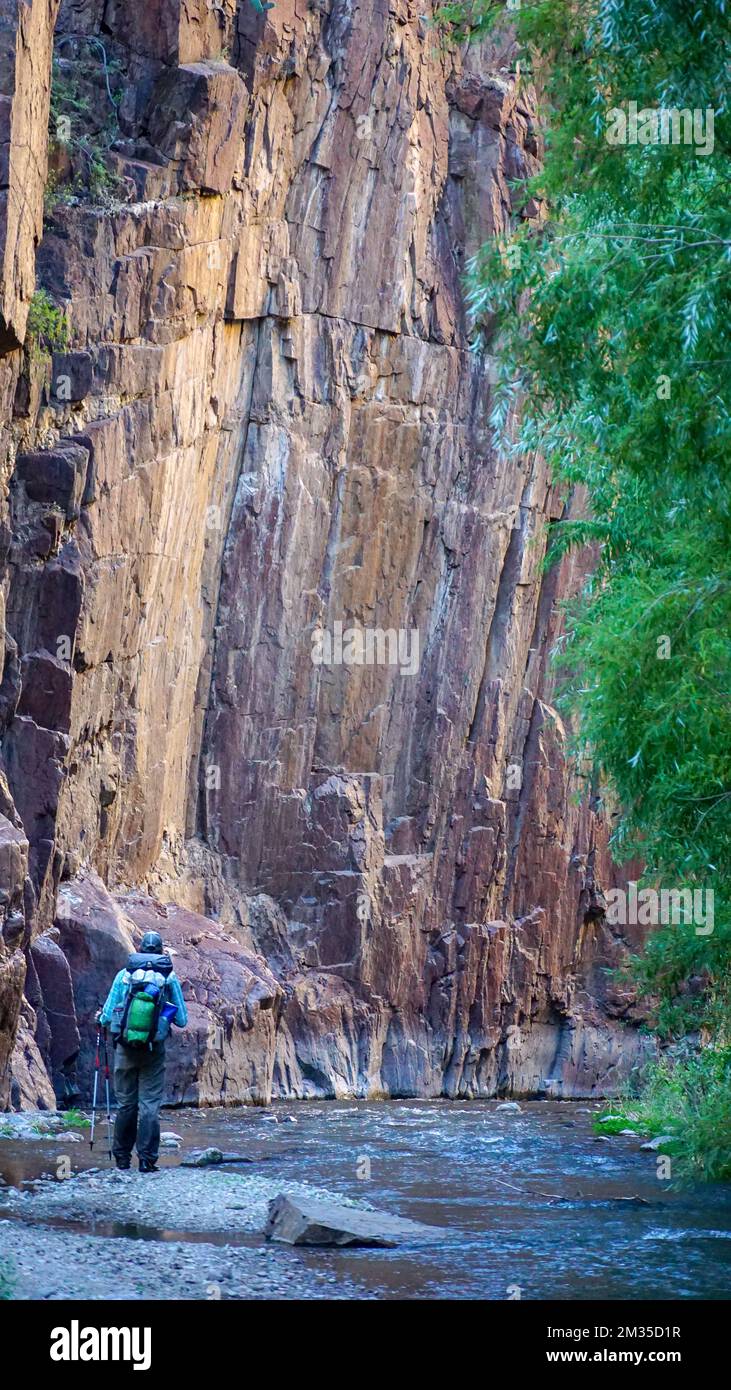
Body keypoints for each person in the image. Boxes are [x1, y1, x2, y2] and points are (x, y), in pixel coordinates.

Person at [97, 930, 188, 1172]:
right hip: (153, 1051)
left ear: (140, 949)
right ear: (160, 951)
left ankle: (122, 1159)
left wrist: (106, 1019)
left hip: (124, 1049)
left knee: (126, 1104)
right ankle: (147, 1160)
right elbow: (181, 1019)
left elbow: (107, 1015)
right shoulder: (169, 978)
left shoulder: (124, 976)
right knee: (149, 1106)